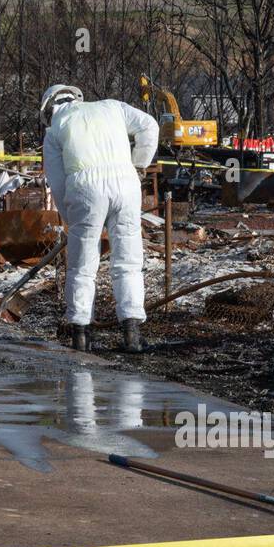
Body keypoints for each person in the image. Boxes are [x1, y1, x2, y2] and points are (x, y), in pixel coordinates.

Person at [40, 84, 159, 352]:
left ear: (50, 108)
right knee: (128, 261)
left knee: (82, 266)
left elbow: (58, 185)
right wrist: (139, 164)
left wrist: (70, 220)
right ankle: (132, 335)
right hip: (126, 185)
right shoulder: (112, 107)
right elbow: (149, 126)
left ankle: (81, 334)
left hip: (84, 189)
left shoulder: (55, 129)